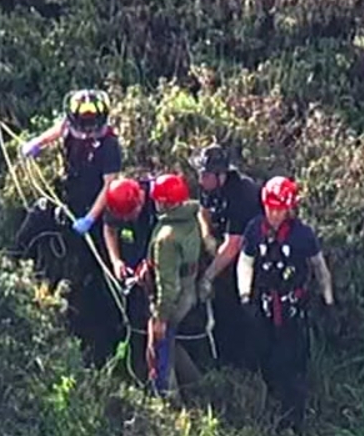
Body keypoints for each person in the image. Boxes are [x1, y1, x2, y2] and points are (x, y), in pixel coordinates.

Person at [13, 88, 124, 364]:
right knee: (36, 217)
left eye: (91, 127)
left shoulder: (109, 145)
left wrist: (90, 219)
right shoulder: (70, 125)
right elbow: (56, 131)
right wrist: (35, 144)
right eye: (81, 126)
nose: (86, 132)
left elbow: (108, 187)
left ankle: (87, 331)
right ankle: (12, 261)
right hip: (66, 199)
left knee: (88, 274)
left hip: (91, 212)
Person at [237, 176, 336, 433]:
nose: (274, 214)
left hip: (293, 312)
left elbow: (320, 268)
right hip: (264, 308)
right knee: (264, 360)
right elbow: (245, 262)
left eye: (279, 209)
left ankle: (295, 419)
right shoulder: (254, 229)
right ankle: (267, 410)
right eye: (270, 208)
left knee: (292, 366)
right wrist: (245, 296)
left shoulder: (302, 235)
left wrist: (328, 302)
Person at [191, 143, 265, 371]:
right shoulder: (207, 186)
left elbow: (234, 245)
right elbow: (202, 211)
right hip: (221, 249)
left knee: (243, 312)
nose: (201, 180)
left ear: (220, 175)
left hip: (251, 258)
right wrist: (207, 237)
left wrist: (209, 277)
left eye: (205, 175)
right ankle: (222, 361)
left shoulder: (243, 194)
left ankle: (248, 366)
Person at [142, 173, 204, 398]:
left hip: (174, 298)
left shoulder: (166, 239)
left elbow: (168, 286)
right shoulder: (191, 218)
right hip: (190, 290)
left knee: (160, 345)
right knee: (172, 340)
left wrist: (160, 317)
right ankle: (195, 385)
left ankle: (167, 396)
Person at [101, 176, 158, 385]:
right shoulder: (118, 200)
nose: (127, 219)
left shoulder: (157, 202)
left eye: (130, 215)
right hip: (137, 252)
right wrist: (116, 260)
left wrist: (150, 263)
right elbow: (110, 228)